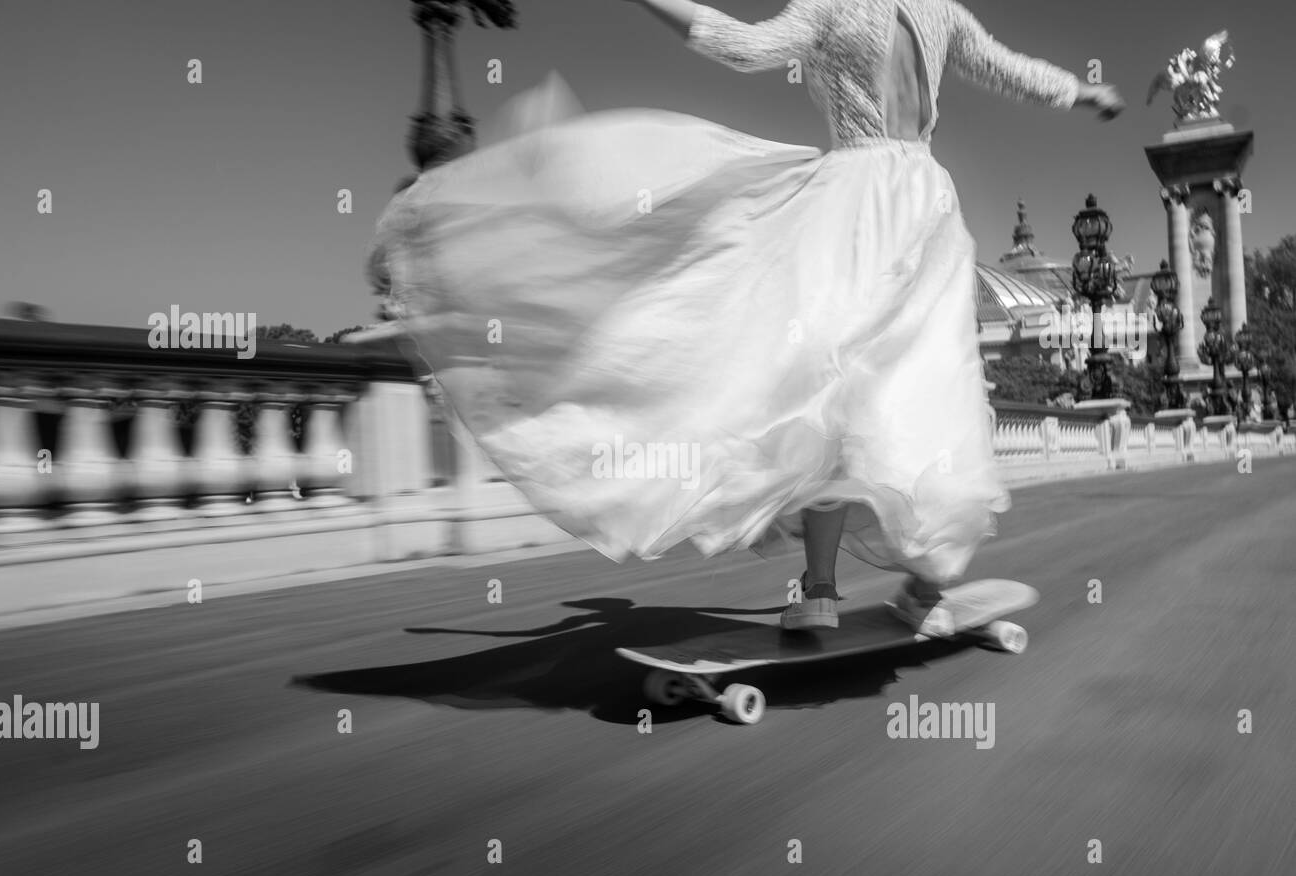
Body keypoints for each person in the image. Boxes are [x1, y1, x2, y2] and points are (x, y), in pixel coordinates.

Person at [369, 0, 1123, 633]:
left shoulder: (832, 7)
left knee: (821, 394)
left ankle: (822, 595)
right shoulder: (939, 10)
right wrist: (1079, 93)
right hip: (923, 201)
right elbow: (1009, 67)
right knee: (919, 394)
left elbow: (738, 46)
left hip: (851, 207)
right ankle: (926, 590)